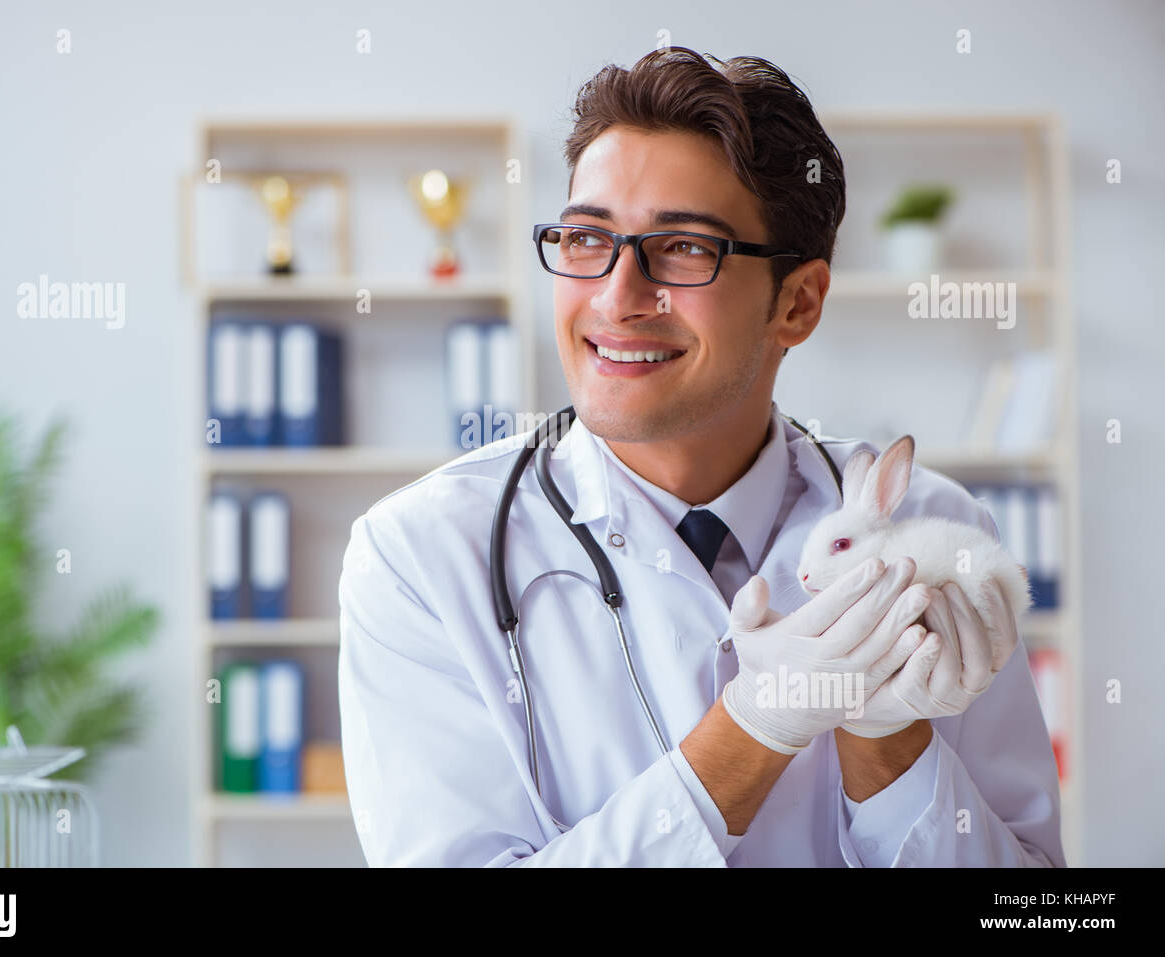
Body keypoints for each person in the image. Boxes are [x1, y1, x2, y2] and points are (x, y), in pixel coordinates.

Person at [337, 47, 1064, 867]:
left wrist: (886, 739)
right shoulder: (419, 556)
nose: (615, 297)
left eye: (683, 248)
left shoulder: (936, 531)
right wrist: (753, 729)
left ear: (797, 302)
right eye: (585, 238)